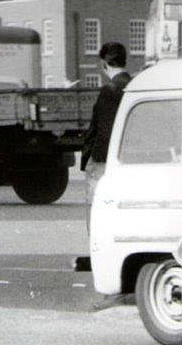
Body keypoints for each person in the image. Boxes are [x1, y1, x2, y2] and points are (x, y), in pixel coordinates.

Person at [76, 41, 131, 272]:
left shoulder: (109, 91)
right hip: (127, 160)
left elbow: (102, 129)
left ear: (104, 63)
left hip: (104, 161)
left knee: (96, 209)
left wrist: (90, 159)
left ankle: (98, 254)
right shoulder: (133, 85)